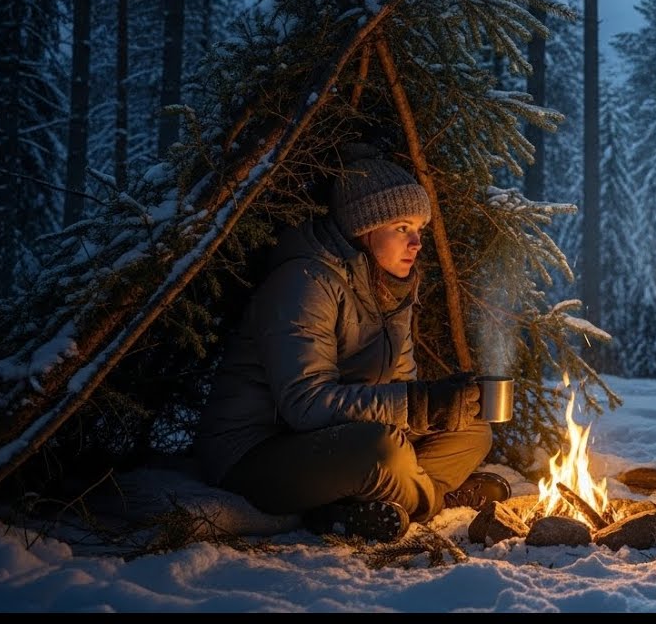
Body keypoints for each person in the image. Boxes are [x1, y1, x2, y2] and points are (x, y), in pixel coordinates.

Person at [195, 145, 510, 542]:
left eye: (419, 230)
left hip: (334, 441)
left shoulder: (392, 287)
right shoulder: (306, 282)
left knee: (473, 428)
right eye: (401, 228)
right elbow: (304, 405)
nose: (416, 243)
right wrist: (414, 405)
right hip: (256, 454)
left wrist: (438, 406)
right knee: (380, 452)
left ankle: (357, 507)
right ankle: (435, 501)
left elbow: (401, 383)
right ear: (364, 227)